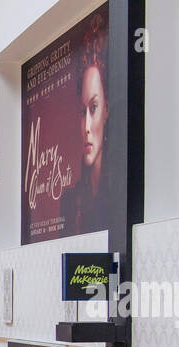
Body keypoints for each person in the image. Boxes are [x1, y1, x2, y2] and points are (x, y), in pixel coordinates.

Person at [61, 16, 109, 235]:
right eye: (82, 112)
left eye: (94, 108)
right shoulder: (70, 201)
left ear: (107, 110)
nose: (86, 126)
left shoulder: (119, 193)